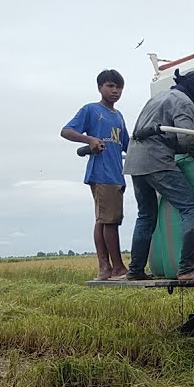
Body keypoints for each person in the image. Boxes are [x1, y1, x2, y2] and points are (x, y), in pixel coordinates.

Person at [123, 70, 194, 282]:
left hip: (135, 162)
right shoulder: (183, 101)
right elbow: (186, 138)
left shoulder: (158, 97)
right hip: (156, 161)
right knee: (191, 208)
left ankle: (135, 270)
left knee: (146, 215)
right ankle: (187, 269)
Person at [61, 70, 129, 280]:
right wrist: (89, 140)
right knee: (110, 221)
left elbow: (128, 145)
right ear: (100, 87)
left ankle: (105, 269)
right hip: (102, 173)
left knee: (103, 220)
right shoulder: (91, 109)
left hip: (116, 173)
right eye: (110, 86)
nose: (115, 91)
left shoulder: (118, 116)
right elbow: (66, 131)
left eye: (118, 87)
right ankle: (116, 267)